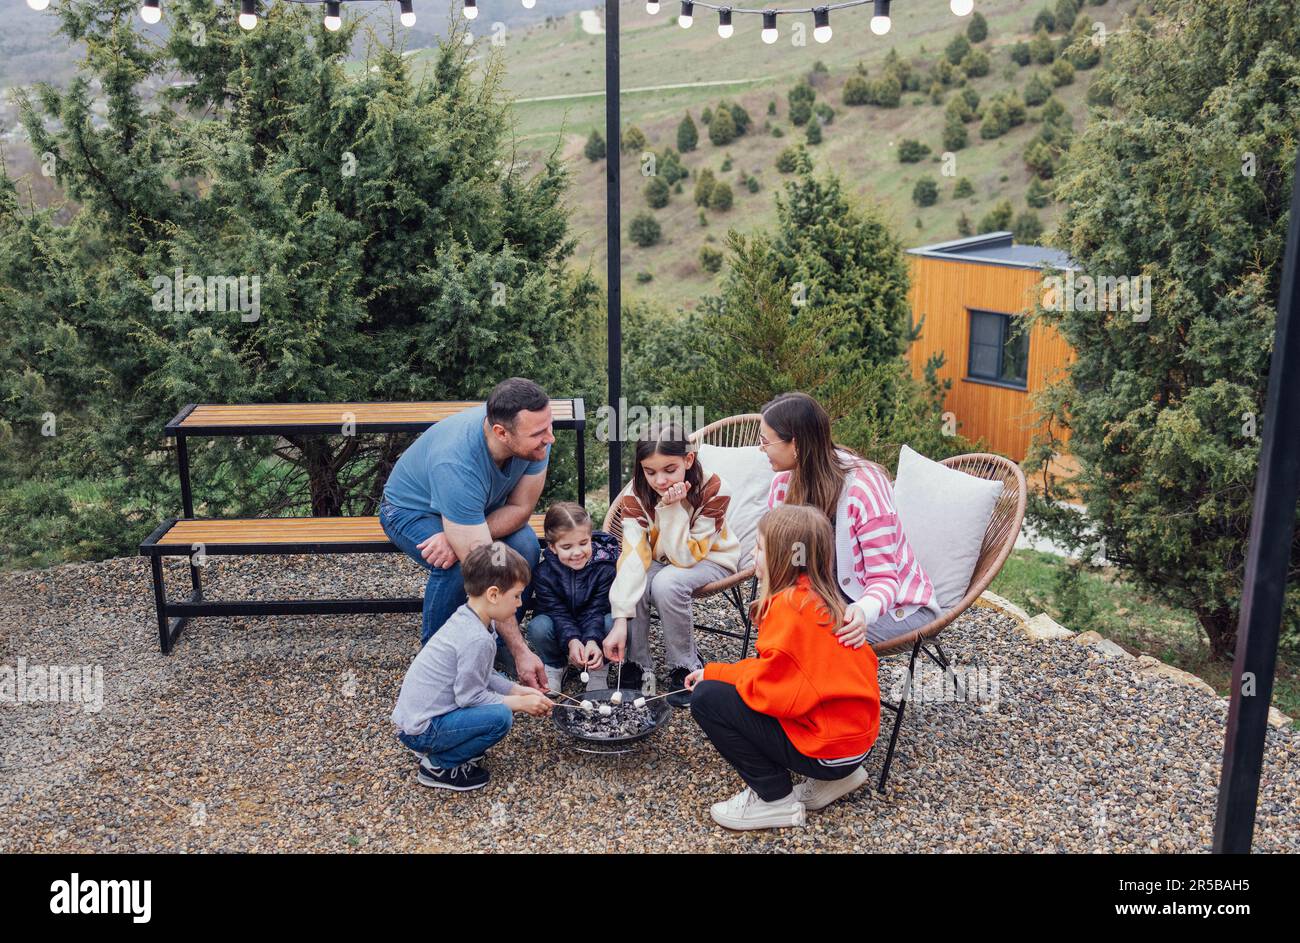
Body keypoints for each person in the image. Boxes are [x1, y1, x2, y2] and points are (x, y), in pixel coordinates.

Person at [686, 504, 880, 830]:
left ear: (783, 557)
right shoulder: (822, 596)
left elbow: (771, 688)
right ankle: (835, 780)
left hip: (827, 752)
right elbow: (786, 671)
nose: (753, 553)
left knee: (707, 698)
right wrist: (724, 672)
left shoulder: (787, 606)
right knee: (727, 686)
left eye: (761, 548)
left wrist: (714, 674)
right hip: (854, 746)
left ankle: (773, 800)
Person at [380, 377, 553, 690]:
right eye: (539, 433)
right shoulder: (456, 460)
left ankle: (497, 643)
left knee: (525, 547)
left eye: (549, 427)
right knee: (460, 565)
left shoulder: (536, 443)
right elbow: (487, 570)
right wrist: (523, 650)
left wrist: (460, 531)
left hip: (474, 511)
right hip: (411, 510)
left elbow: (521, 509)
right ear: (501, 433)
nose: (550, 438)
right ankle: (436, 664)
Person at [759, 392, 939, 647]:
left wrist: (863, 611)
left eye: (766, 441)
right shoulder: (782, 486)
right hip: (832, 601)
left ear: (796, 445)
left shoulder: (863, 489)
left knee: (815, 642)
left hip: (895, 608)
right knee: (784, 627)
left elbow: (885, 579)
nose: (761, 448)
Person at [390, 542, 553, 792]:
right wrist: (519, 704)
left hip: (416, 720)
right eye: (517, 595)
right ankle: (439, 765)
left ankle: (448, 745)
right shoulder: (475, 639)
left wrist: (515, 690)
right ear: (494, 594)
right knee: (500, 718)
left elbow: (482, 675)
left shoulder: (471, 618)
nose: (520, 603)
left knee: (500, 708)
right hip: (421, 728)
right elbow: (469, 697)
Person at [604, 423, 739, 707]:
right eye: (650, 471)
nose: (660, 480)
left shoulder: (715, 489)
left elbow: (686, 557)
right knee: (637, 580)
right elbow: (631, 557)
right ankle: (638, 664)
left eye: (669, 469)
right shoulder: (635, 495)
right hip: (660, 558)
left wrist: (673, 508)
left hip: (711, 558)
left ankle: (685, 665)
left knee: (666, 584)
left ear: (688, 460)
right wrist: (619, 619)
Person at [525, 502, 620, 693]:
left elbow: (598, 608)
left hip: (595, 620)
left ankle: (599, 668)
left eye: (583, 543)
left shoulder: (606, 568)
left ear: (590, 538)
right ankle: (555, 665)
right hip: (560, 626)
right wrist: (572, 640)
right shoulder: (543, 574)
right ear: (552, 547)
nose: (577, 552)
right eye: (567, 546)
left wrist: (592, 640)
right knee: (538, 627)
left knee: (612, 623)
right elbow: (556, 612)